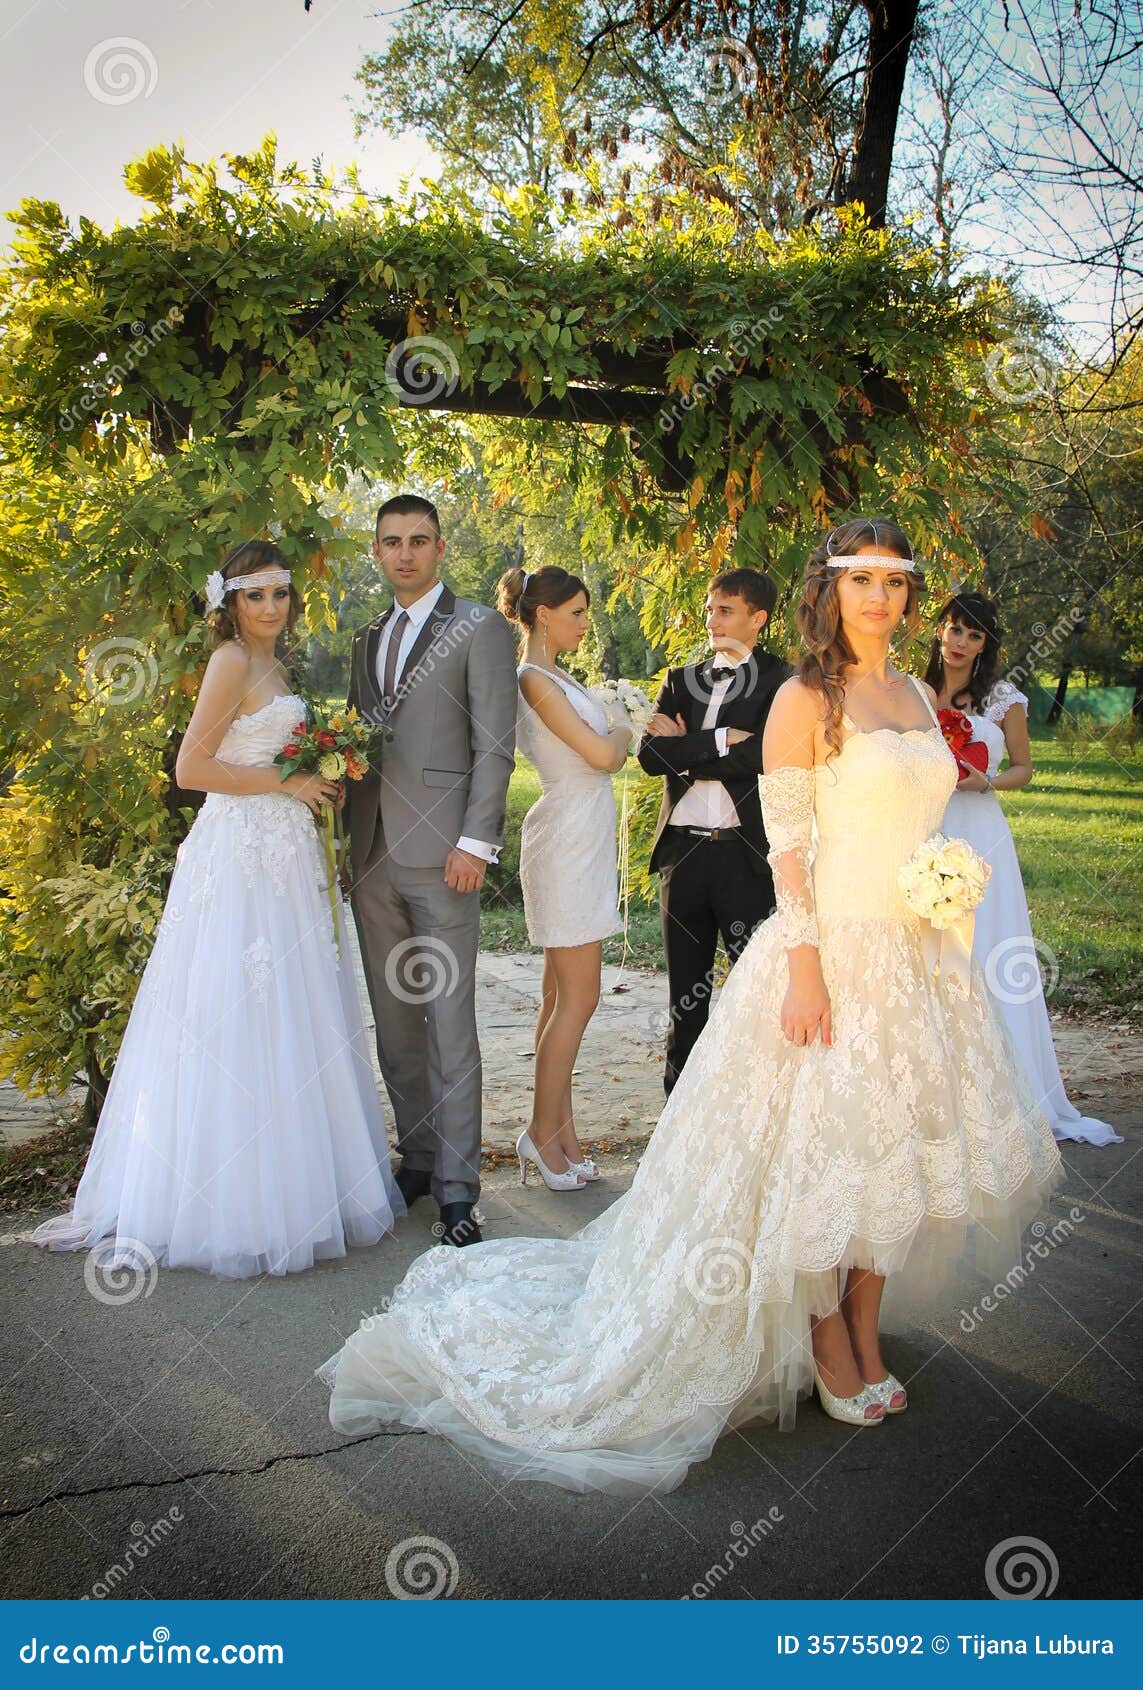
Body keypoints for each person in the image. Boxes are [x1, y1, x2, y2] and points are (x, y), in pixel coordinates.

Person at [317, 516, 1061, 1494]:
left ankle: (868, 1324)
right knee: (818, 1156)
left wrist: (941, 888)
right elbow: (788, 845)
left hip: (918, 960)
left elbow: (921, 816)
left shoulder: (917, 693)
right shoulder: (808, 696)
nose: (878, 597)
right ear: (830, 591)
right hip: (825, 949)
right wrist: (802, 965)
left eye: (894, 580)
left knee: (894, 1151)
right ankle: (825, 1333)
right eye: (859, 579)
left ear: (910, 592)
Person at [32, 542, 405, 1278]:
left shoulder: (277, 665)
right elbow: (192, 769)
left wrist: (312, 782)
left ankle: (301, 1187)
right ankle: (223, 1202)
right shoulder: (230, 662)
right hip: (237, 856)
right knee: (235, 1010)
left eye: (279, 594)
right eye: (255, 595)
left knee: (293, 1010)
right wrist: (286, 783)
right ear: (230, 604)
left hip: (286, 855)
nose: (270, 608)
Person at [345, 495, 519, 1248]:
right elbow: (358, 744)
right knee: (394, 1022)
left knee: (448, 1020)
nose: (405, 554)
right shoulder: (366, 636)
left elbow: (495, 744)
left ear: (440, 547)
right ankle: (416, 1158)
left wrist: (476, 843)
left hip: (445, 854)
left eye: (418, 541)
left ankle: (456, 1187)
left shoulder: (478, 627)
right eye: (391, 543)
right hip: (372, 854)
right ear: (377, 553)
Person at [925, 592, 1122, 1147]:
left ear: (986, 644)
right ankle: (939, 1091)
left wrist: (985, 780)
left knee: (986, 948)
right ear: (939, 631)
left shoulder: (1002, 698)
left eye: (974, 635)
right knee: (933, 952)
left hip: (979, 828)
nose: (960, 642)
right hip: (926, 828)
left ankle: (1005, 1092)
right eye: (954, 629)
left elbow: (1024, 768)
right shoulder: (914, 692)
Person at [498, 565, 633, 1191]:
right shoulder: (532, 678)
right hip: (565, 840)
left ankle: (559, 1133)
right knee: (580, 998)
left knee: (560, 998)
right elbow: (603, 755)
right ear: (544, 614)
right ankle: (541, 1135)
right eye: (576, 612)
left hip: (582, 834)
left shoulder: (557, 675)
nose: (585, 623)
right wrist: (627, 724)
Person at [638, 567, 790, 1093]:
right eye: (709, 609)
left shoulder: (785, 682)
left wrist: (689, 748)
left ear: (758, 618)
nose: (711, 619)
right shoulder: (680, 680)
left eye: (724, 610)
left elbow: (768, 756)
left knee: (756, 990)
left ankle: (755, 1103)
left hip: (745, 858)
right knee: (685, 997)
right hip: (683, 857)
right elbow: (650, 756)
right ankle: (678, 1113)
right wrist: (723, 738)